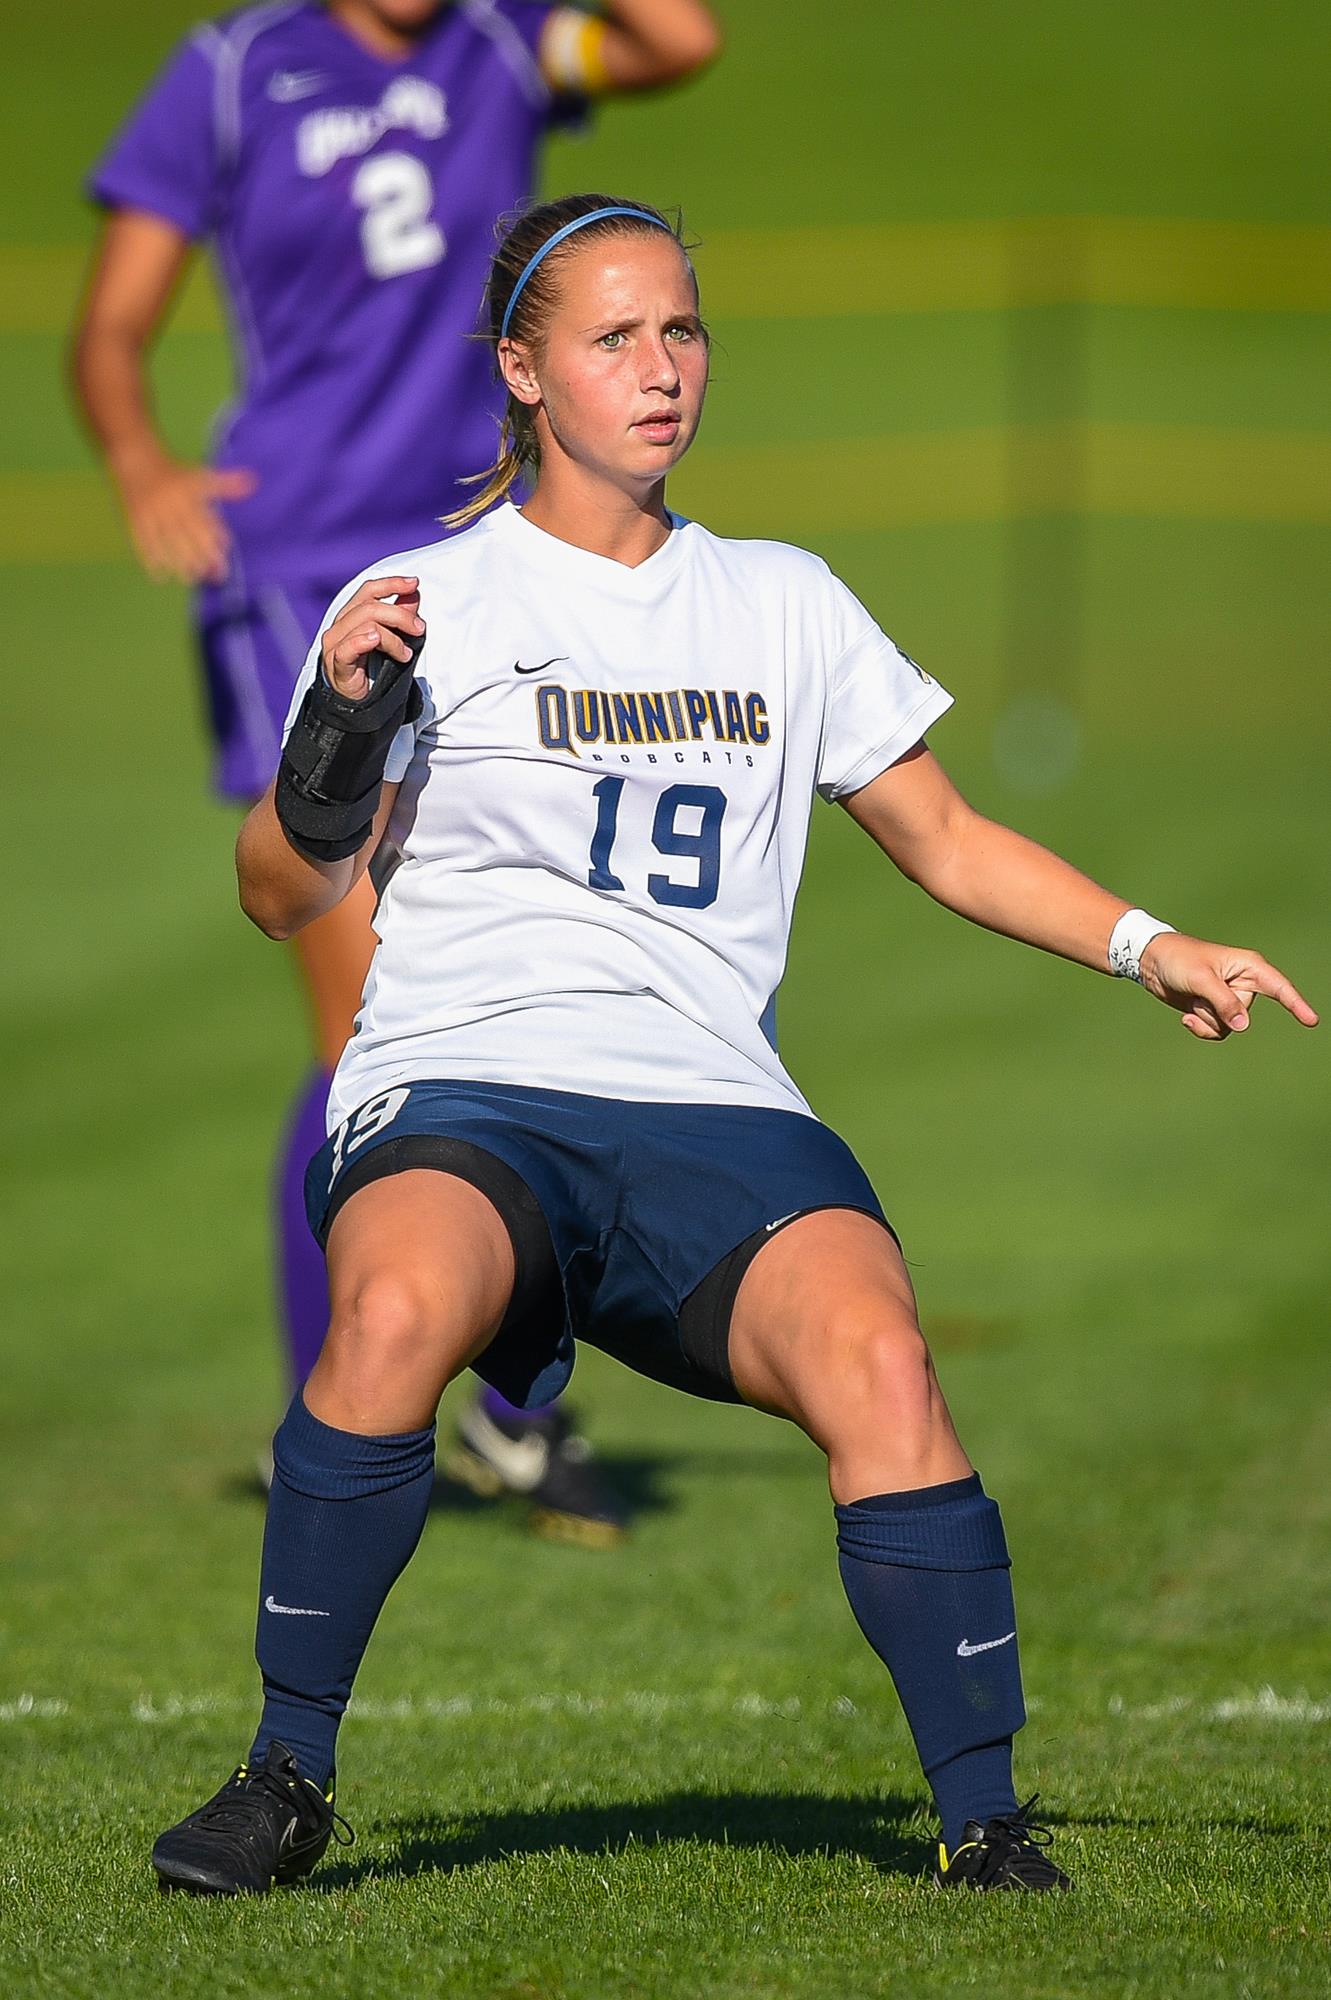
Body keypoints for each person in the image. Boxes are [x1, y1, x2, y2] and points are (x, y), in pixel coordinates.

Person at [147, 194, 1318, 1899]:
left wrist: (1155, 947)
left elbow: (950, 837)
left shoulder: (782, 601)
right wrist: (331, 725)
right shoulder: (429, 603)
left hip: (708, 1102)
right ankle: (283, 1778)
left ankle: (986, 1825)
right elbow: (276, 891)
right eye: (614, 337)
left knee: (884, 1366)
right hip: (464, 1080)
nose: (661, 368)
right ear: (523, 371)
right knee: (392, 1313)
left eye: (683, 330)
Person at [71, 0, 721, 1543]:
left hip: (492, 561)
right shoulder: (235, 73)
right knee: (370, 1005)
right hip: (301, 569)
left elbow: (678, 38)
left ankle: (478, 1397)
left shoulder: (503, 46)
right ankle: (402, 1411)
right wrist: (143, 458)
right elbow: (110, 326)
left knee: (516, 973)